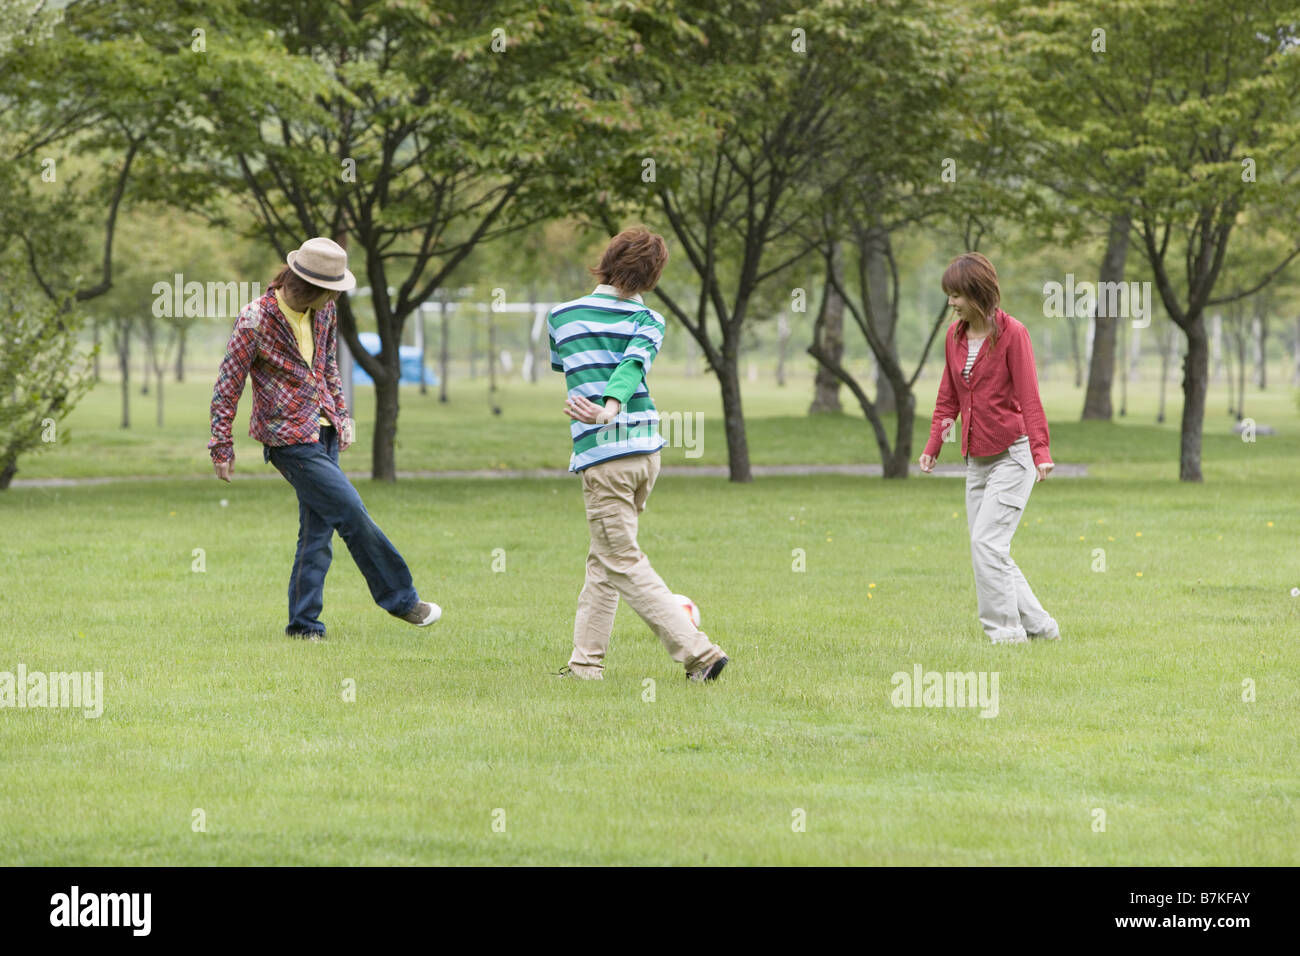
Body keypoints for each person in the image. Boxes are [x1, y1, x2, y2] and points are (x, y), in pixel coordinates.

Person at [208, 236, 440, 640]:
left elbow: (327, 366)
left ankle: (303, 625)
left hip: (326, 431)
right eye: (332, 289)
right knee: (351, 512)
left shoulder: (324, 312)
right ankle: (402, 600)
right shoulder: (255, 320)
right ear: (310, 285)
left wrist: (342, 413)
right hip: (289, 441)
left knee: (317, 534)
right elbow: (229, 382)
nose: (336, 296)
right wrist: (221, 444)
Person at [549, 226, 729, 681]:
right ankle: (585, 665)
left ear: (607, 259)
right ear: (653, 276)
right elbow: (633, 364)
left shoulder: (562, 317)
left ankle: (700, 654)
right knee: (604, 560)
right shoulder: (650, 320)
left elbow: (575, 365)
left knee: (622, 560)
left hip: (606, 456)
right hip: (646, 456)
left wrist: (607, 410)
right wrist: (615, 404)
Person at [918, 252, 1059, 645]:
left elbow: (1030, 397)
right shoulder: (954, 337)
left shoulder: (1013, 333)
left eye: (957, 294)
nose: (951, 303)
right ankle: (1042, 628)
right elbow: (948, 397)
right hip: (976, 460)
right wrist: (934, 443)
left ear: (977, 292)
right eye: (949, 295)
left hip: (1014, 455)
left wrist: (1041, 450)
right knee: (989, 550)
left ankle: (1006, 635)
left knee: (987, 544)